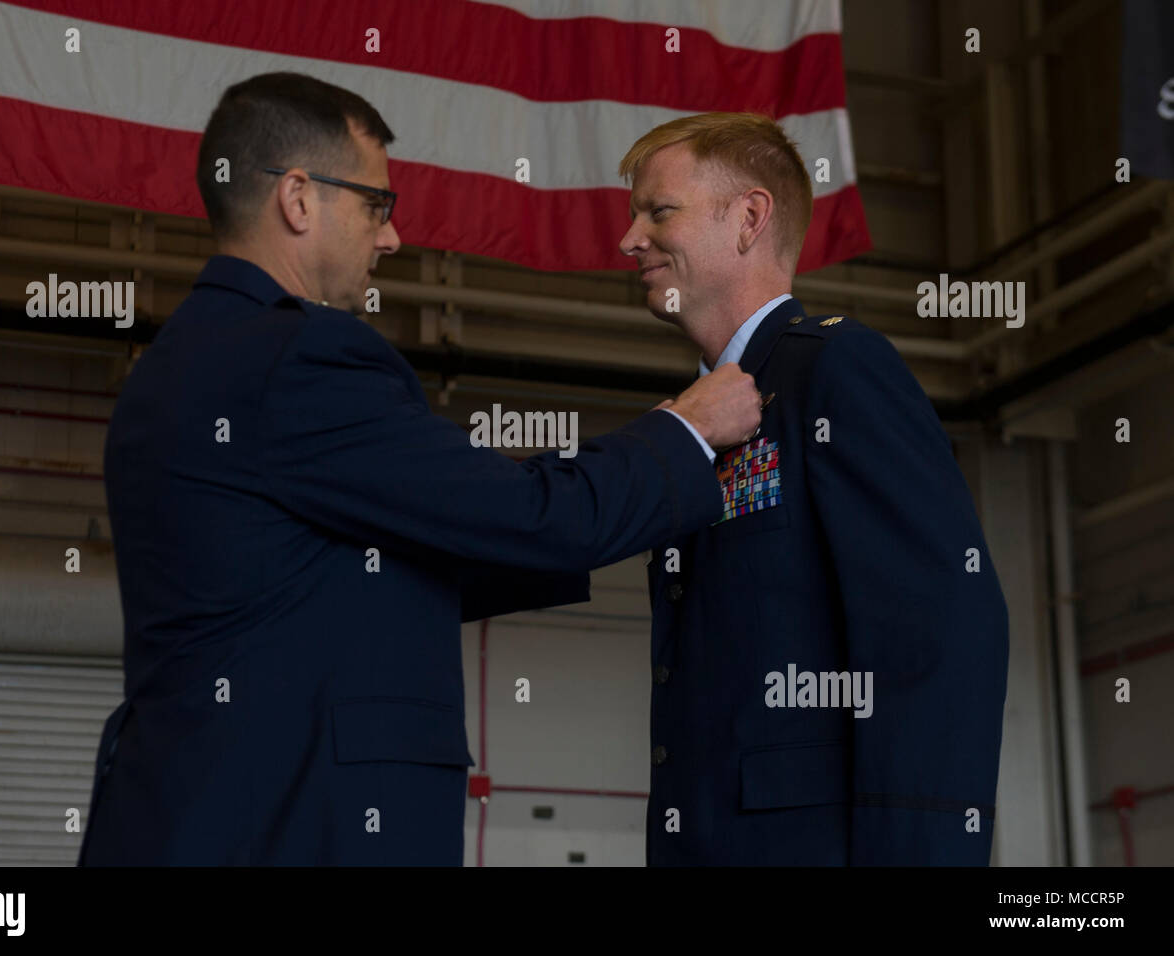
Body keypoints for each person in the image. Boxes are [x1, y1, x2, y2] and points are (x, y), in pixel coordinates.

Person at [78, 74, 761, 865]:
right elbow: (527, 516)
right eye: (377, 205)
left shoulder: (173, 367)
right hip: (291, 830)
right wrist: (684, 432)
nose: (392, 238)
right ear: (299, 200)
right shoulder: (298, 357)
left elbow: (354, 574)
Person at [619, 112, 1010, 865]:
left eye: (658, 211)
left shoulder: (837, 370)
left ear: (749, 218)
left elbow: (940, 634)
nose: (630, 239)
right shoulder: (692, 421)